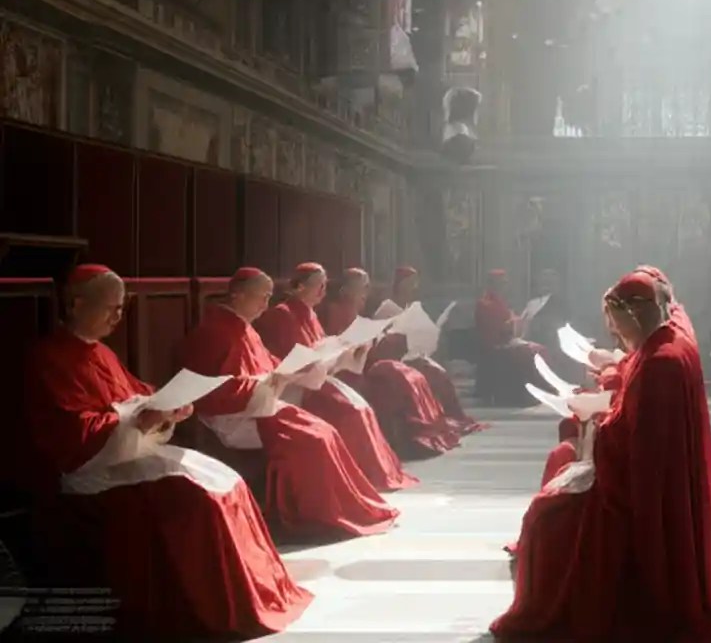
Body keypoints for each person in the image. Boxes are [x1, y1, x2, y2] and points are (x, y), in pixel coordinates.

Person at [491, 271, 711, 641]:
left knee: (547, 514)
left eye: (616, 325)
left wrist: (597, 424)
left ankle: (560, 611)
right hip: (638, 480)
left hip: (628, 498)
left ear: (633, 314)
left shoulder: (659, 362)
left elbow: (637, 452)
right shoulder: (659, 345)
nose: (616, 335)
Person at [25, 265, 313, 636]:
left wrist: (170, 404)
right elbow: (69, 432)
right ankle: (210, 606)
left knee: (230, 482)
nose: (117, 316)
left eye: (120, 308)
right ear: (77, 304)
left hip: (129, 451)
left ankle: (251, 591)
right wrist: (140, 419)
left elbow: (132, 392)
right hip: (94, 466)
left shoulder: (100, 351)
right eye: (110, 307)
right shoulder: (48, 358)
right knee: (199, 500)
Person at [182, 266, 406, 535]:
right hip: (235, 415)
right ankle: (313, 514)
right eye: (261, 297)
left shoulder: (243, 325)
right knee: (313, 439)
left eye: (268, 297)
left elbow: (269, 362)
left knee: (325, 431)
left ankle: (340, 507)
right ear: (238, 295)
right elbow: (215, 389)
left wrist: (287, 370)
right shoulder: (216, 330)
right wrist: (271, 380)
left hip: (261, 404)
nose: (266, 304)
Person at [257, 263, 456, 473]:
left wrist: (350, 347)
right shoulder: (283, 314)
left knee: (363, 407)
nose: (323, 292)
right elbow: (292, 356)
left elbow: (323, 346)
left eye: (325, 285)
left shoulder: (311, 313)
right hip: (299, 384)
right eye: (318, 286)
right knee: (353, 411)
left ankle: (373, 466)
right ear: (299, 287)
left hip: (323, 375)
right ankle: (359, 469)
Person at [317, 267, 467, 452]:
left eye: (367, 287)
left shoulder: (354, 310)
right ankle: (410, 436)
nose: (366, 293)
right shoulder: (337, 311)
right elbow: (339, 344)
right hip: (352, 368)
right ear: (346, 290)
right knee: (397, 376)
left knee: (412, 375)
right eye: (362, 288)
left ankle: (425, 428)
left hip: (371, 359)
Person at [369, 265, 485, 434]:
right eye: (410, 283)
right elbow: (381, 338)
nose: (414, 287)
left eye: (415, 283)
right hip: (396, 359)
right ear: (401, 284)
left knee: (439, 373)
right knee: (430, 375)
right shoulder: (387, 308)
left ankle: (449, 416)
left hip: (413, 354)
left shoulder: (412, 306)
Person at [474, 269, 552, 406]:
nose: (505, 286)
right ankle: (527, 394)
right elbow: (496, 327)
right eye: (502, 283)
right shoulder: (486, 303)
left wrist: (516, 320)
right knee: (533, 352)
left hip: (506, 340)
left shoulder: (500, 300)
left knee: (540, 350)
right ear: (494, 284)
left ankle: (537, 391)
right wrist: (514, 323)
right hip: (497, 344)